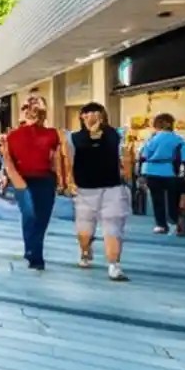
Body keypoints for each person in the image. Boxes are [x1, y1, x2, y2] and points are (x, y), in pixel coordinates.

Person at [63, 102, 130, 281]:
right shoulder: (74, 138)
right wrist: (69, 181)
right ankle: (85, 251)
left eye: (95, 112)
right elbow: (69, 161)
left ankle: (114, 265)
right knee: (84, 231)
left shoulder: (113, 134)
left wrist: (128, 177)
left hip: (113, 188)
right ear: (82, 117)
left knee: (113, 227)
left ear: (102, 115)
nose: (90, 116)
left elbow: (119, 151)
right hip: (85, 190)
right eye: (86, 113)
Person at [1, 96, 62, 270]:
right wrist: (13, 179)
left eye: (38, 110)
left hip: (45, 179)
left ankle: (34, 251)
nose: (33, 113)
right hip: (23, 179)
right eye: (29, 109)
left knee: (42, 218)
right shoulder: (12, 136)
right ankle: (34, 254)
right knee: (29, 215)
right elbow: (8, 160)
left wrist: (60, 180)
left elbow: (55, 159)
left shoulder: (52, 134)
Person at [140, 113, 185, 236]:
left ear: (156, 126)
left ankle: (160, 225)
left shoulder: (151, 140)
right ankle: (173, 222)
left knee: (157, 199)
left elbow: (144, 156)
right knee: (173, 199)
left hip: (152, 171)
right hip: (171, 172)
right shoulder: (180, 140)